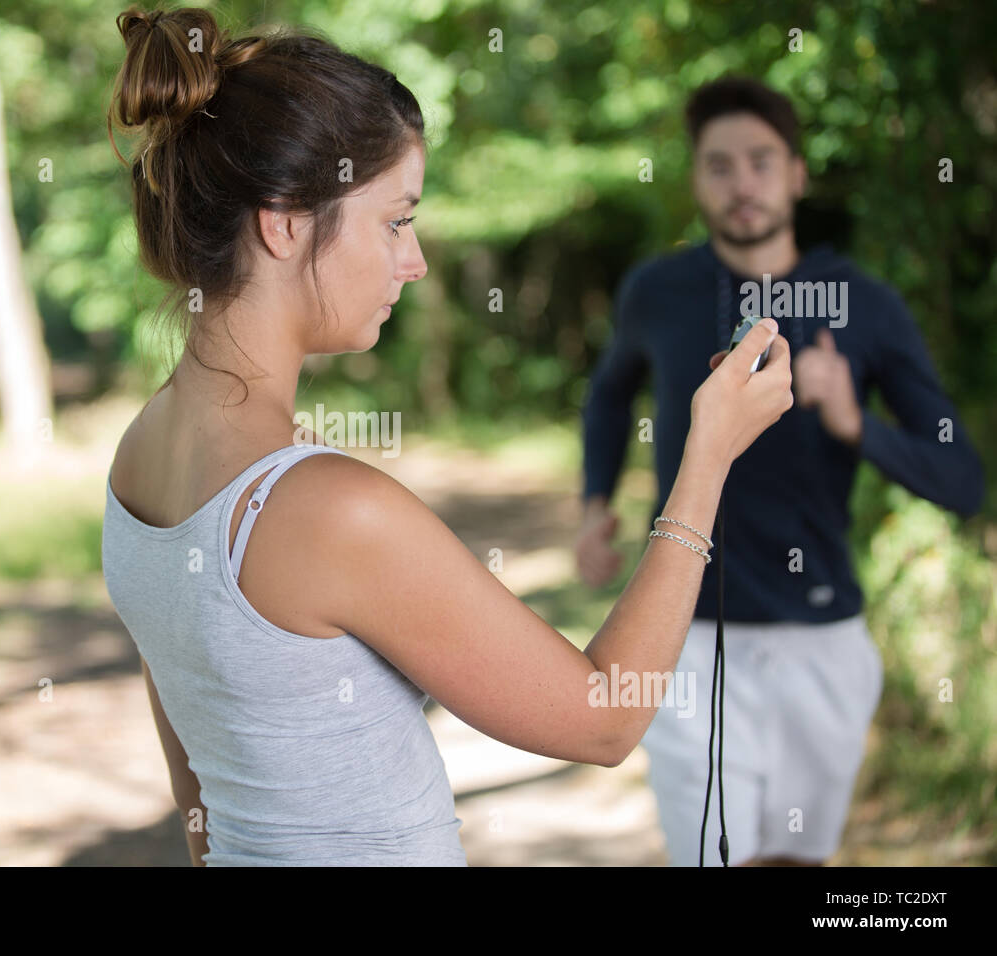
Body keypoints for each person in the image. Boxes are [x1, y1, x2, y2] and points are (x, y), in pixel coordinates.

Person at [101, 7, 792, 866]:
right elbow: (607, 718)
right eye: (395, 220)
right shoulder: (328, 510)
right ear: (283, 222)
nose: (415, 259)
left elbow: (199, 794)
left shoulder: (139, 455)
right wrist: (708, 456)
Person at [576, 76, 985, 867]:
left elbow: (961, 480)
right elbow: (607, 397)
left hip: (819, 638)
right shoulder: (658, 291)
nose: (743, 184)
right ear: (696, 180)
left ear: (797, 174)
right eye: (719, 165)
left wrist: (855, 422)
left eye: (762, 162)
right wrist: (595, 503)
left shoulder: (864, 304)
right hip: (687, 636)